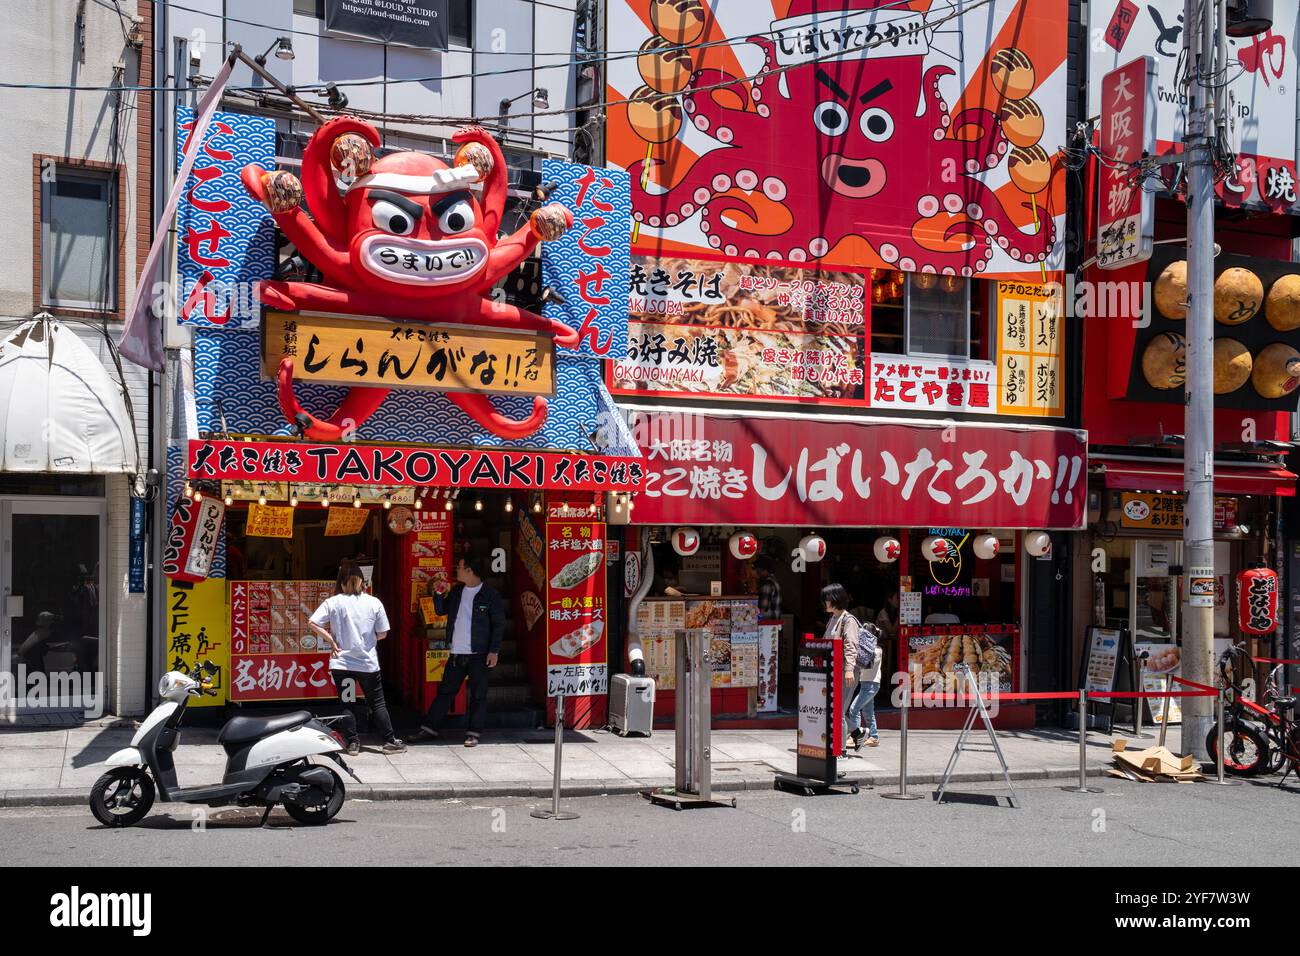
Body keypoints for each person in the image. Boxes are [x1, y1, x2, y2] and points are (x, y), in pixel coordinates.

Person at [308, 562, 405, 755]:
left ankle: (352, 743)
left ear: (341, 583)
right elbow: (383, 633)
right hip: (367, 664)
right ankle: (389, 741)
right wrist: (368, 639)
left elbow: (312, 622)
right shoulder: (374, 603)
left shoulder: (333, 602)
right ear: (362, 581)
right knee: (376, 703)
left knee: (348, 702)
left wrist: (332, 641)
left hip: (342, 664)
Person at [408, 556, 505, 747]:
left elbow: (499, 625)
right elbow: (441, 611)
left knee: (478, 694)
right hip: (456, 653)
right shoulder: (458, 591)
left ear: (470, 570)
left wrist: (494, 651)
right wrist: (438, 594)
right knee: (445, 691)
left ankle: (473, 732)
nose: (456, 570)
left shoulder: (490, 595)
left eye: (459, 567)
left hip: (479, 653)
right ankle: (429, 729)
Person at [821, 583, 861, 757]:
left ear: (836, 599)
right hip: (833, 671)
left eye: (827, 599)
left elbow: (851, 646)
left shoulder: (848, 620)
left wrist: (849, 669)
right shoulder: (833, 619)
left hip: (846, 672)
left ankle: (842, 750)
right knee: (833, 708)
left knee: (838, 710)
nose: (825, 602)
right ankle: (858, 733)